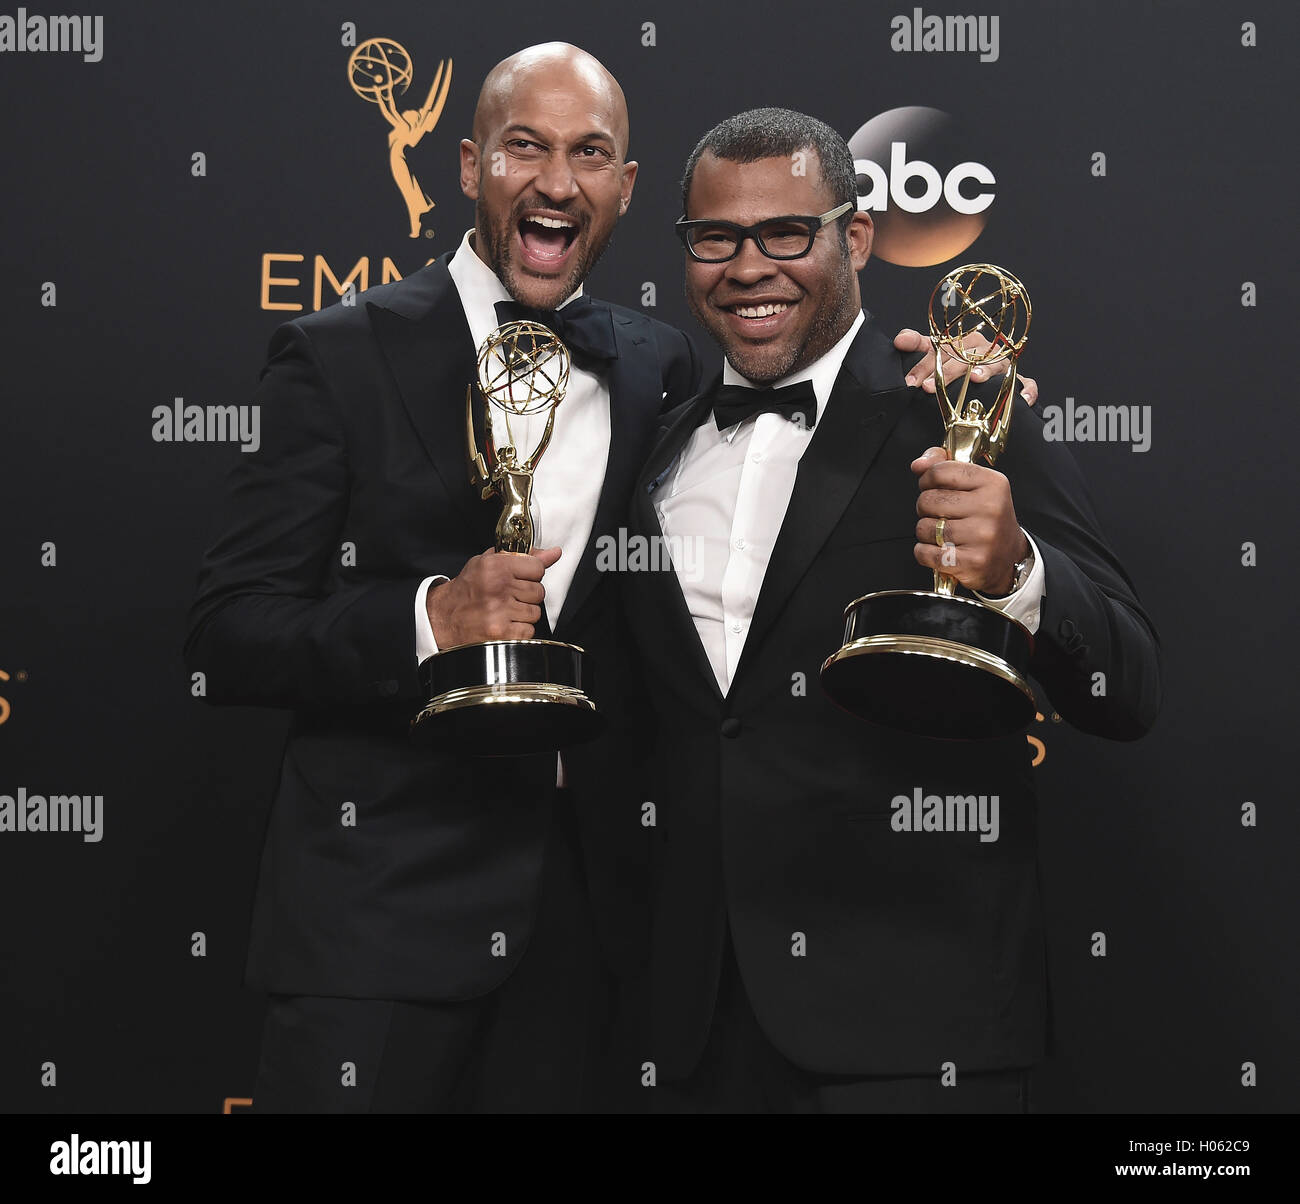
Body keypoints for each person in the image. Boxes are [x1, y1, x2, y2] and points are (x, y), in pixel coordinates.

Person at [620, 108, 1161, 1113]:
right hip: (688, 1032)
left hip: (918, 1029)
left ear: (855, 236)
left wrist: (1017, 573)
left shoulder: (961, 406)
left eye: (787, 232)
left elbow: (1126, 683)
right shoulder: (654, 448)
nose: (749, 267)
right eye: (715, 238)